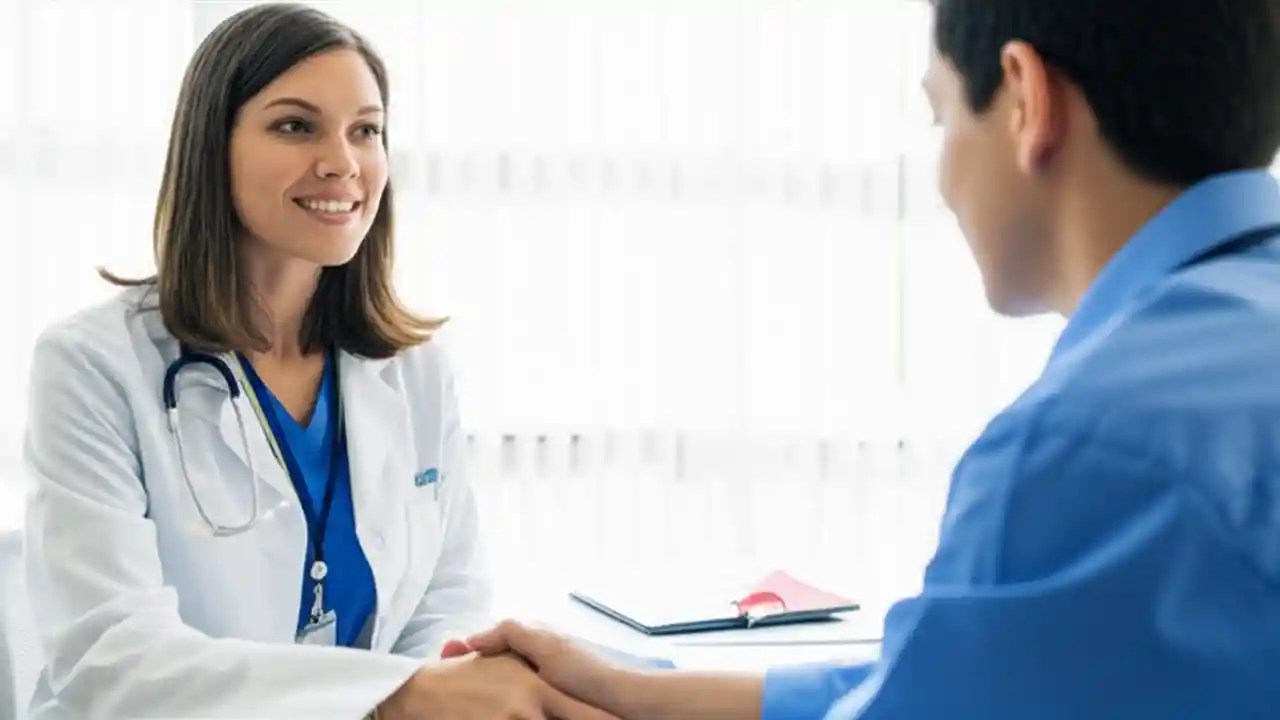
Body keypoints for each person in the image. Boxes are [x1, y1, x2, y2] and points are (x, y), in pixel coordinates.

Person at [446, 0, 1280, 717]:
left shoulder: (1088, 443)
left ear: (1027, 100)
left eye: (941, 116)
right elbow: (972, 678)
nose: (945, 174)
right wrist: (640, 690)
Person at [21, 4, 610, 719]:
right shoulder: (94, 367)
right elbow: (112, 663)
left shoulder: (414, 368)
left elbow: (446, 603)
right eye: (295, 125)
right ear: (213, 147)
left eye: (366, 130)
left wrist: (443, 690)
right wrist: (399, 697)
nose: (342, 162)